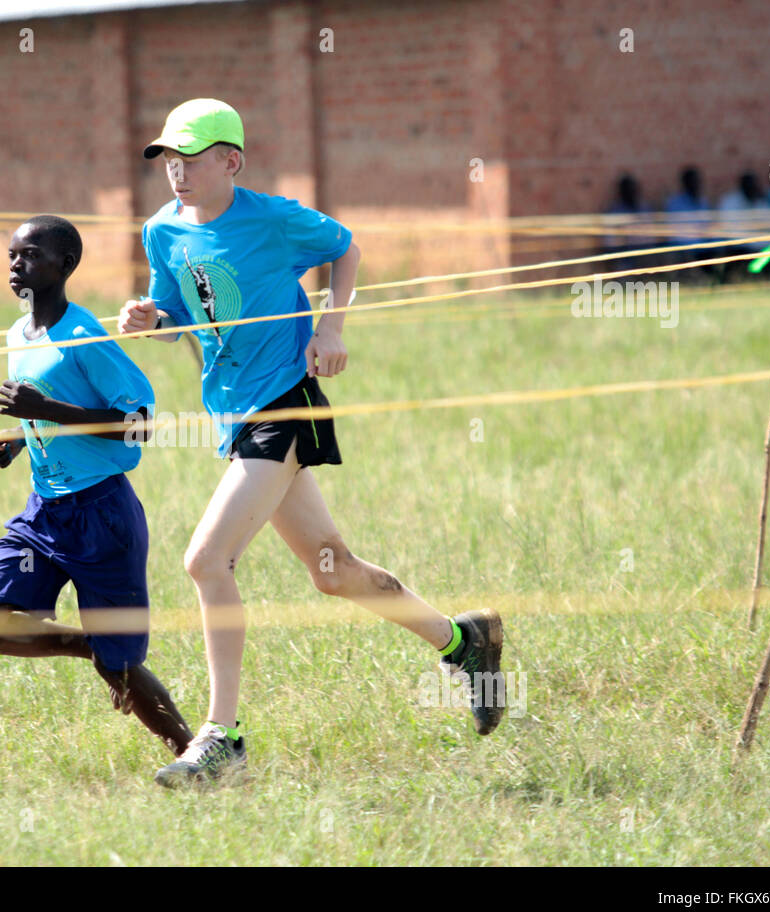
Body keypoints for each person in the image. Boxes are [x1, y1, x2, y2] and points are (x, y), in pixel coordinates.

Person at [117, 99, 505, 788]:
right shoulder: (161, 233)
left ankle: (222, 739)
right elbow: (176, 316)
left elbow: (345, 248)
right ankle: (464, 641)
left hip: (285, 406)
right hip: (233, 417)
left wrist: (332, 327)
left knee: (206, 560)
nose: (177, 172)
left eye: (191, 159)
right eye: (168, 160)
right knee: (333, 570)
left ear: (230, 161)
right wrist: (148, 318)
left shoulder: (273, 219)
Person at [0, 214, 193, 757]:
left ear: (65, 265)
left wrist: (47, 410)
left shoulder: (84, 334)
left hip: (102, 516)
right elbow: (43, 410)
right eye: (12, 255)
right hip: (44, 512)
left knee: (123, 670)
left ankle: (197, 757)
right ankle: (90, 644)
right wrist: (20, 438)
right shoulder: (18, 333)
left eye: (31, 255)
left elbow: (137, 420)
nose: (18, 264)